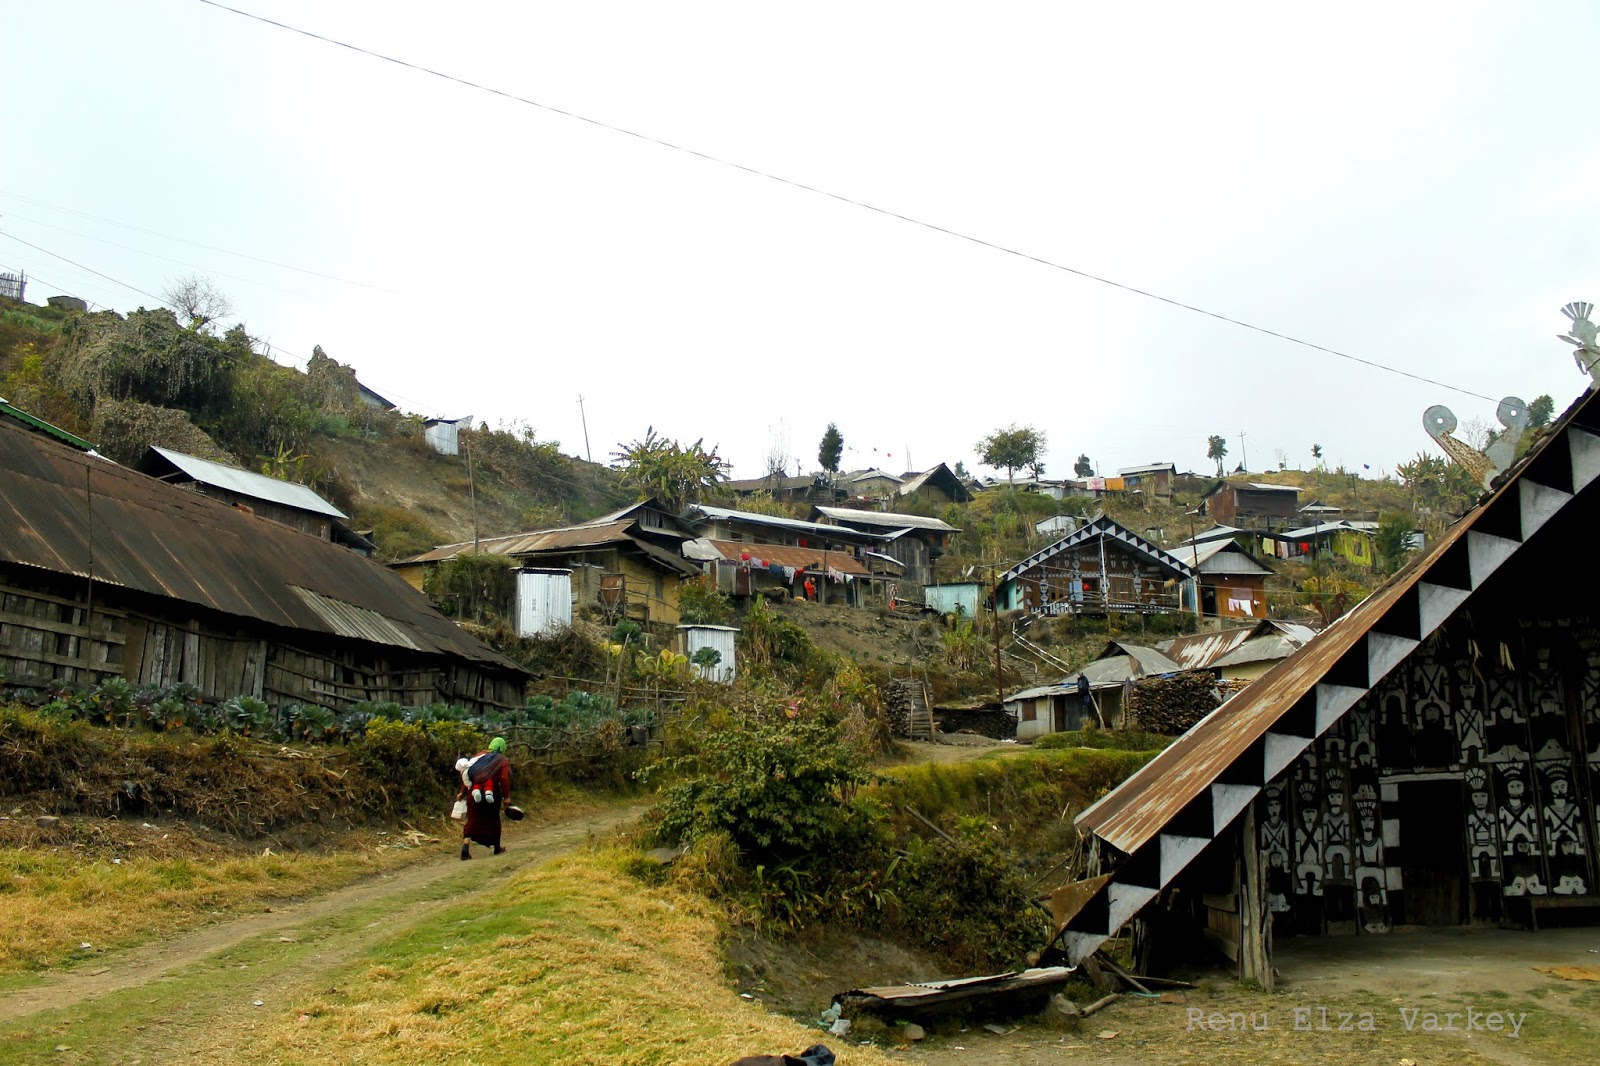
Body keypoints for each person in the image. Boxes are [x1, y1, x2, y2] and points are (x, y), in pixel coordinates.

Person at [458, 736, 511, 860]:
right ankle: (497, 847)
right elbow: (503, 778)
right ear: (502, 748)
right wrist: (506, 796)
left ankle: (465, 846)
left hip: (473, 791)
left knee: (472, 818)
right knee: (493, 819)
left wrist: (462, 792)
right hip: (491, 793)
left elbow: (468, 773)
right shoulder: (501, 760)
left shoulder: (479, 756)